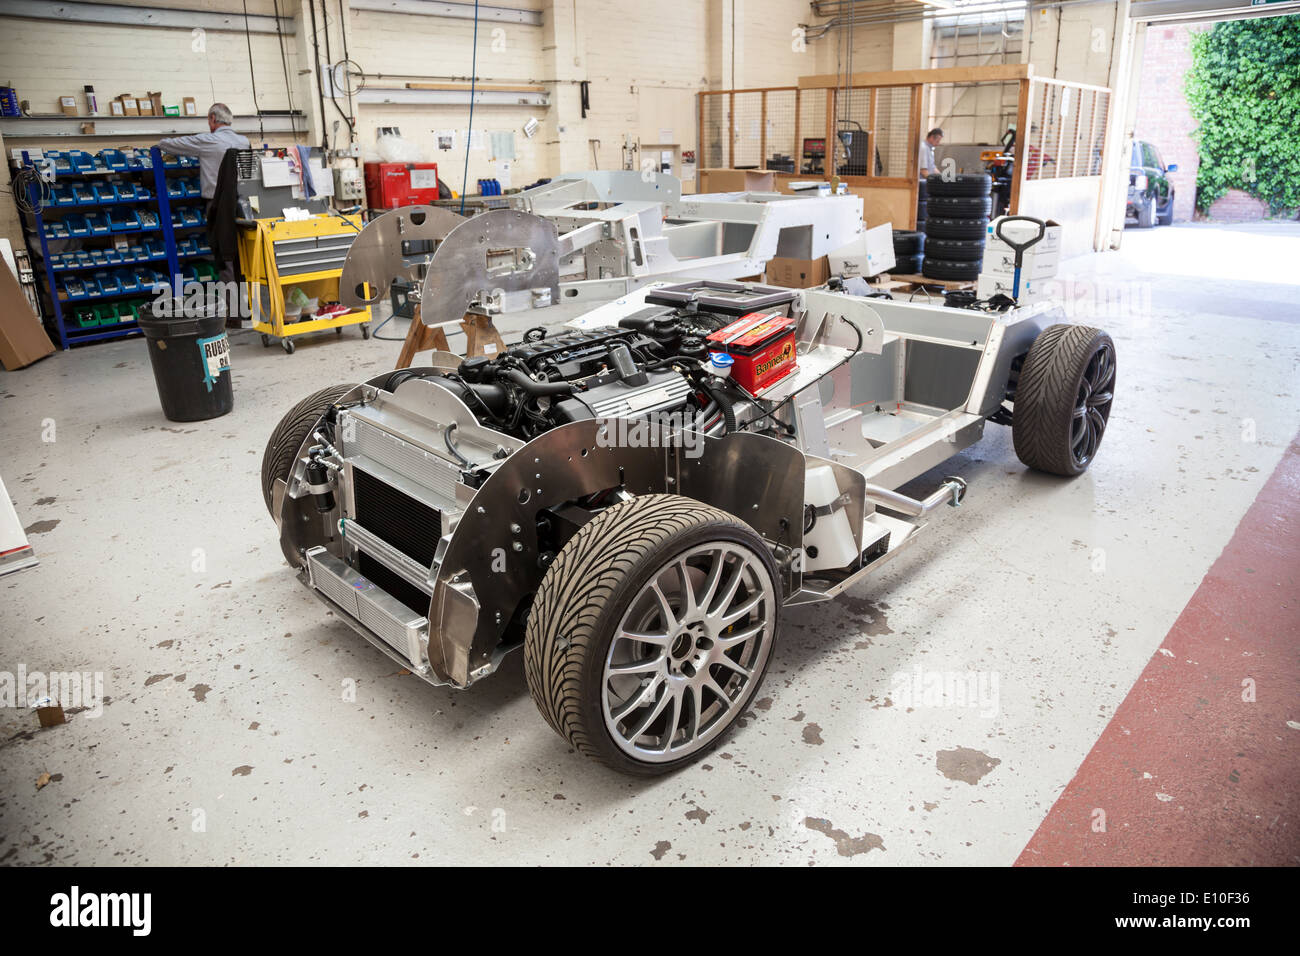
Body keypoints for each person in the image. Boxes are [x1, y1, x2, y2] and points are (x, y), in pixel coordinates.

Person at [158, 104, 250, 284]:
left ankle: (232, 309)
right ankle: (248, 305)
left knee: (224, 257)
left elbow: (171, 145)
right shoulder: (244, 141)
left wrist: (159, 144)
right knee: (243, 255)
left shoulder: (208, 140)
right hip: (243, 205)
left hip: (218, 206)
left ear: (213, 119)